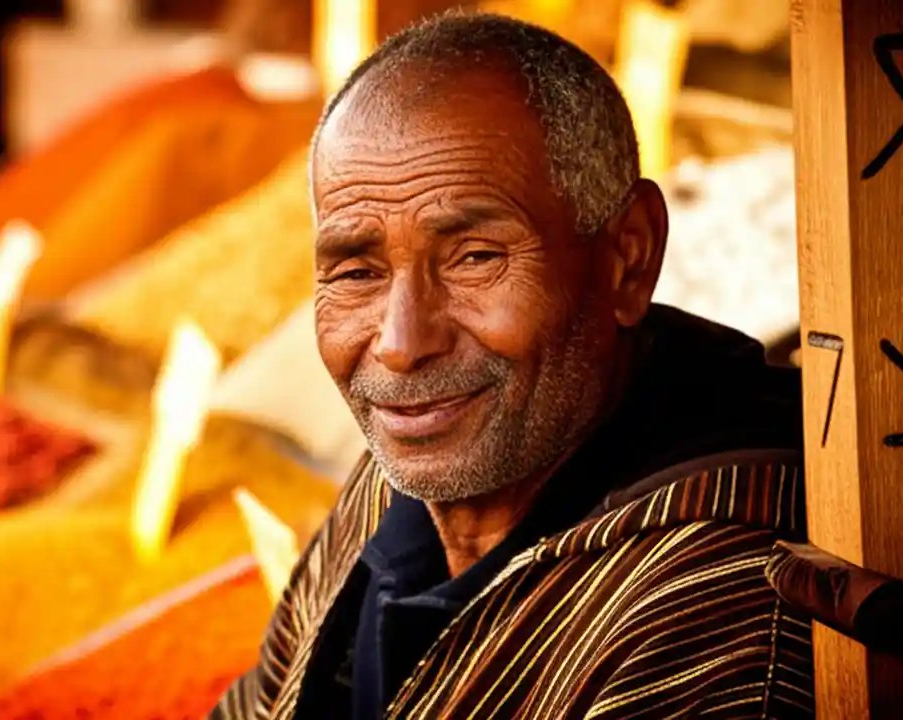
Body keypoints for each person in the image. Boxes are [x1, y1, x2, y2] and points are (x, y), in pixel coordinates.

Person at [214, 12, 815, 718]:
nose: (402, 343)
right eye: (356, 272)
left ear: (628, 257)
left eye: (475, 259)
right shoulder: (397, 483)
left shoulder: (724, 607)